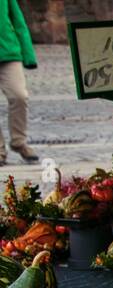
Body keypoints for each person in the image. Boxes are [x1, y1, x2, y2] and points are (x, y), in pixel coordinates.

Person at [0, 0, 38, 165]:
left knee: (19, 96)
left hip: (9, 52)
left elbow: (18, 21)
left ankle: (18, 142)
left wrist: (28, 55)